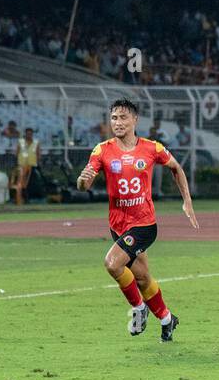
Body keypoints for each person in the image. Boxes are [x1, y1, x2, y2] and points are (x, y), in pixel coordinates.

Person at [77, 98, 198, 341]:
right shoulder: (102, 150)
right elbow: (84, 185)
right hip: (118, 226)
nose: (118, 122)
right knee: (142, 277)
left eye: (123, 117)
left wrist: (187, 200)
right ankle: (167, 319)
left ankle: (139, 308)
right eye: (114, 118)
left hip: (144, 224)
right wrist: (82, 179)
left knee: (112, 263)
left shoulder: (152, 148)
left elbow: (176, 168)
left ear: (135, 120)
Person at [13, 127, 40, 205]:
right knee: (20, 183)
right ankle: (19, 199)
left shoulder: (36, 142)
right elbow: (17, 152)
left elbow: (38, 154)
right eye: (27, 133)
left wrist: (38, 162)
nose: (29, 135)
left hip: (32, 166)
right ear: (25, 134)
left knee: (30, 184)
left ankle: (28, 199)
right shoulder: (21, 142)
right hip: (22, 165)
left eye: (30, 134)